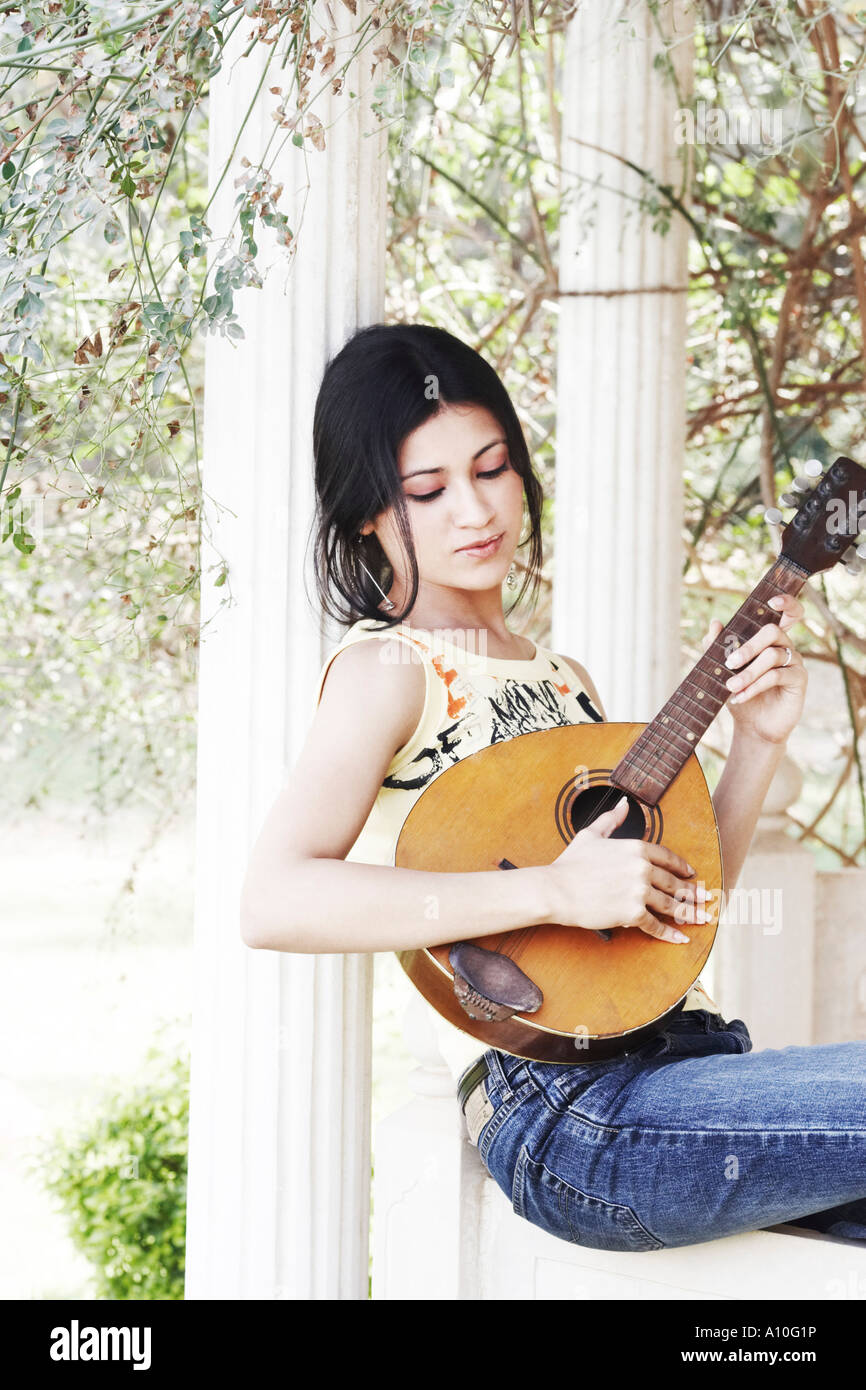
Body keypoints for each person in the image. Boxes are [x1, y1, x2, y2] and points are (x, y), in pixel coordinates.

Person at [240, 321, 866, 1252]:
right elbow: (273, 900)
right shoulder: (390, 670)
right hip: (564, 1112)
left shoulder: (568, 681)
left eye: (492, 468)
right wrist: (551, 890)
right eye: (428, 488)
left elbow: (674, 911)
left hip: (676, 1066)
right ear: (370, 513)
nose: (474, 509)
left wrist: (757, 744)